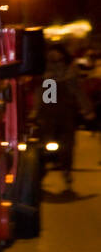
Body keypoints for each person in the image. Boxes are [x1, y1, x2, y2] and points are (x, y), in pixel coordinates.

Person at [39, 44, 94, 191]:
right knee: (43, 144)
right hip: (49, 115)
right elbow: (43, 96)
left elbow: (78, 92)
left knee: (67, 145)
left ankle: (66, 171)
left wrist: (87, 109)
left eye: (57, 54)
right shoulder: (44, 73)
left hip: (66, 114)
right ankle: (41, 173)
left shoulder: (70, 72)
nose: (54, 57)